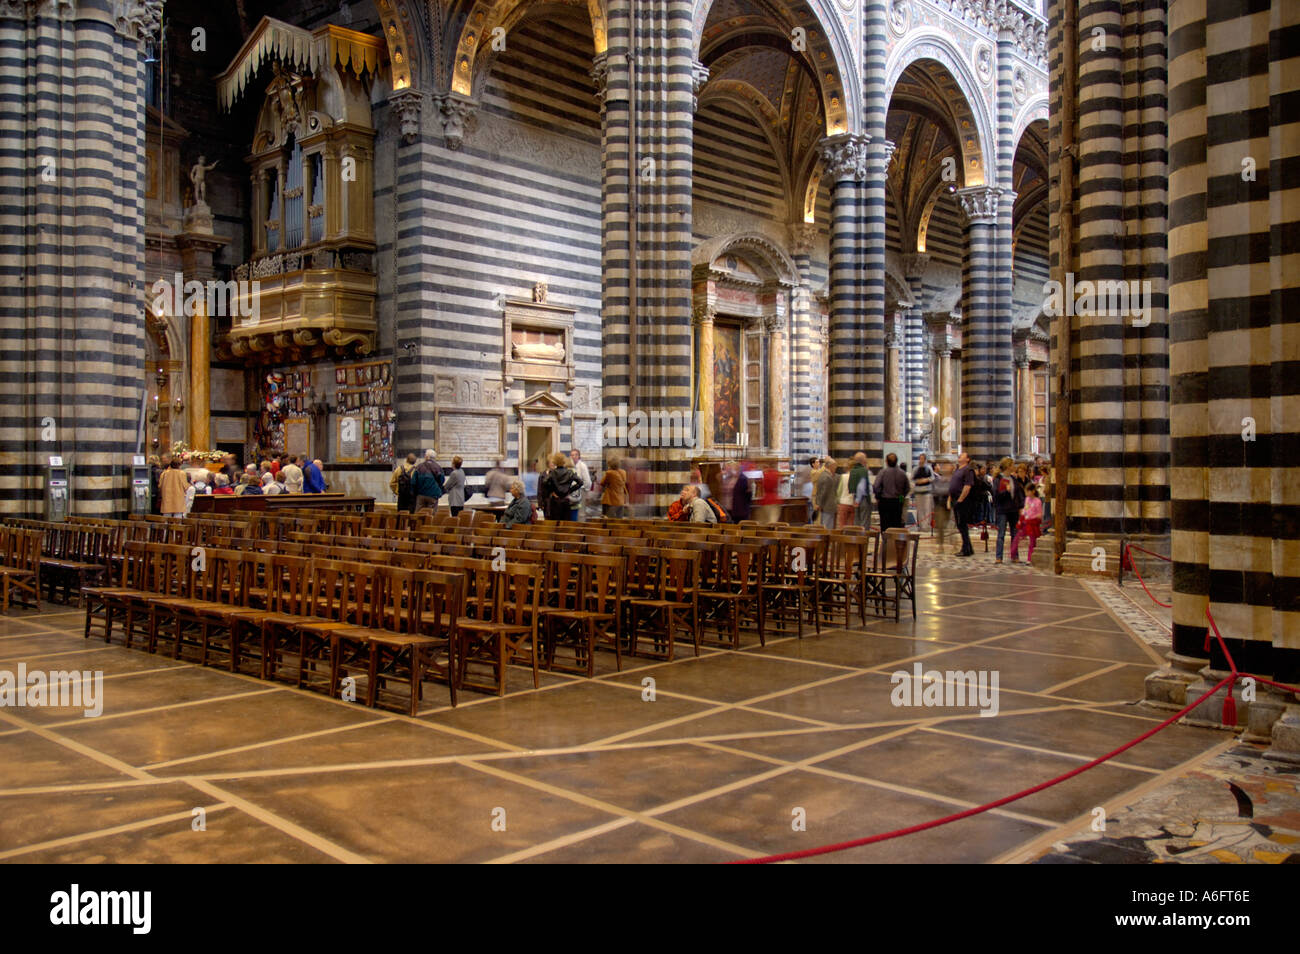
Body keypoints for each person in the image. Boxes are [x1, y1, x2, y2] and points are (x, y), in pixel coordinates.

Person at [993, 456, 1025, 564]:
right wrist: (1006, 491)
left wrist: (1020, 507)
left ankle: (1015, 556)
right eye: (1012, 465)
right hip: (1003, 509)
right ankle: (999, 557)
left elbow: (1019, 494)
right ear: (1008, 466)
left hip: (1013, 509)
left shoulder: (1013, 479)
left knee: (1014, 534)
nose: (1014, 467)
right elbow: (996, 496)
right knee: (1001, 534)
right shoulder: (998, 479)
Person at [873, 452, 911, 531]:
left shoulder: (882, 472)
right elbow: (907, 488)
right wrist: (901, 498)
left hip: (885, 501)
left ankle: (885, 541)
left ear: (886, 461)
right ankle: (894, 542)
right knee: (896, 524)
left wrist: (878, 497)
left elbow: (876, 486)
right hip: (897, 502)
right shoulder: (902, 473)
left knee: (885, 524)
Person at [949, 452, 976, 556]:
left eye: (963, 455)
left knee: (962, 525)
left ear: (967, 459)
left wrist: (960, 500)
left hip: (963, 501)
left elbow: (967, 486)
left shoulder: (968, 470)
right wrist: (950, 499)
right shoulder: (958, 469)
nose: (959, 455)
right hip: (956, 500)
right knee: (960, 525)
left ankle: (965, 549)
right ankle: (969, 548)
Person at [539, 452, 580, 522]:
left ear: (555, 462)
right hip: (566, 500)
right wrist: (569, 490)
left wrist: (552, 491)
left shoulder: (552, 473)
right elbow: (580, 482)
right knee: (566, 524)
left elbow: (544, 483)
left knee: (555, 525)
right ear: (564, 461)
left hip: (555, 501)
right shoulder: (569, 472)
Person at [1010, 482, 1044, 563]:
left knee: (1032, 541)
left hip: (1032, 523)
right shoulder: (1027, 499)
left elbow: (1039, 514)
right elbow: (1025, 510)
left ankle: (1030, 558)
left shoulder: (1038, 501)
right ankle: (1013, 554)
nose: (1026, 493)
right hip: (1026, 522)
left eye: (1027, 491)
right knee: (1017, 538)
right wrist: (1021, 519)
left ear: (1032, 491)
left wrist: (1033, 518)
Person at [813, 457, 839, 530]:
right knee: (827, 526)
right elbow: (823, 492)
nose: (836, 467)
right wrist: (819, 504)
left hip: (828, 505)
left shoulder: (828, 475)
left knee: (828, 525)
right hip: (827, 505)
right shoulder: (826, 477)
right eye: (835, 465)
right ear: (830, 466)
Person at [931, 459, 952, 547]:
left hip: (950, 505)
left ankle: (953, 545)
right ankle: (940, 545)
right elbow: (935, 491)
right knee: (940, 526)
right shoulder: (938, 480)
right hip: (940, 505)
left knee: (951, 526)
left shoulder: (953, 480)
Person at [848, 452, 872, 529]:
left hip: (855, 497)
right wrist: (858, 500)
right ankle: (863, 539)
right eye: (865, 458)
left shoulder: (853, 470)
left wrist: (856, 500)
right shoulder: (864, 470)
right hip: (863, 498)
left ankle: (857, 539)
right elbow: (861, 487)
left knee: (857, 521)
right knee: (864, 522)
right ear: (863, 460)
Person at [912, 453, 934, 534]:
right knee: (920, 510)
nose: (921, 460)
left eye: (922, 458)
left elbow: (932, 478)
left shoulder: (929, 468)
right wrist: (918, 481)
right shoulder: (916, 469)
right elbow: (912, 479)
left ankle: (927, 525)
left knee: (927, 509)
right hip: (918, 492)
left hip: (927, 492)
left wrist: (926, 480)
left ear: (925, 459)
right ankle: (921, 526)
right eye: (920, 458)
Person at [569, 449, 591, 521]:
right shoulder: (570, 466)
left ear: (579, 456)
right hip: (572, 492)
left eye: (575, 455)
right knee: (573, 511)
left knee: (581, 512)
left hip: (581, 490)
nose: (574, 456)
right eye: (572, 455)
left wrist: (585, 490)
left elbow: (587, 481)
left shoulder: (582, 466)